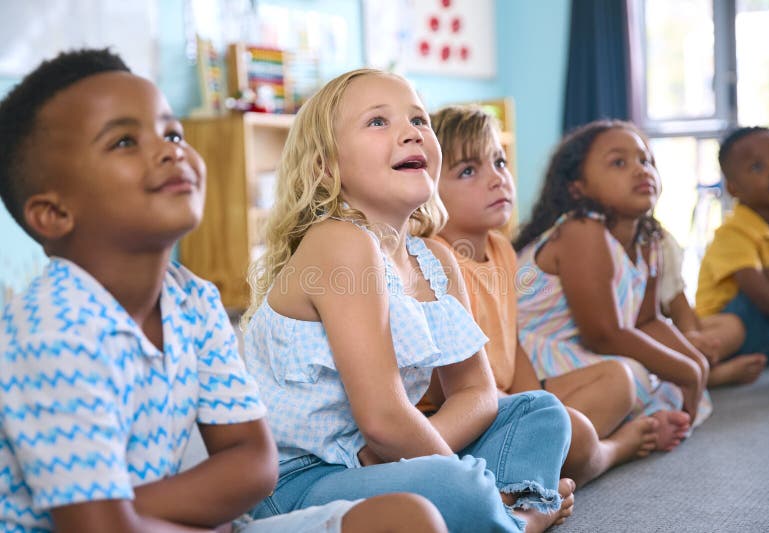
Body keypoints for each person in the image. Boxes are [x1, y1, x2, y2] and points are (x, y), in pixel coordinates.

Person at [0, 49, 447, 533]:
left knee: (408, 518)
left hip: (148, 522)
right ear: (53, 213)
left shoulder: (192, 300)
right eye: (126, 141)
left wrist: (122, 510)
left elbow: (254, 464)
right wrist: (118, 516)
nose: (171, 149)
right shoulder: (50, 331)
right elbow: (93, 526)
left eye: (172, 132)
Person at [242, 68, 574, 533]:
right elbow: (380, 418)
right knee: (458, 490)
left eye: (419, 119)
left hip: (374, 463)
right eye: (378, 122)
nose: (411, 133)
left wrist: (417, 461)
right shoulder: (339, 242)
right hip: (295, 482)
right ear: (326, 167)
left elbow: (477, 393)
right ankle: (519, 515)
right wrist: (452, 475)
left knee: (539, 411)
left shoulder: (435, 257)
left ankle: (495, 510)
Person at [426, 105, 658, 487]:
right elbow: (443, 385)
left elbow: (511, 341)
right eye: (468, 171)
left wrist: (535, 405)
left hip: (502, 399)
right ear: (427, 190)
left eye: (499, 162)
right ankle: (609, 453)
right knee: (577, 433)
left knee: (618, 379)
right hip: (458, 413)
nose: (497, 179)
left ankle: (539, 462)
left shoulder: (501, 251)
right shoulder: (433, 261)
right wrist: (533, 414)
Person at [513, 120, 712, 453]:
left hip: (587, 354)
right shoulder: (582, 231)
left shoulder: (650, 240)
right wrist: (688, 372)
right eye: (619, 162)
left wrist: (696, 365)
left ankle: (628, 425)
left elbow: (647, 321)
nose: (640, 170)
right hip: (538, 360)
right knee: (635, 374)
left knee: (669, 378)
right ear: (578, 187)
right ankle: (614, 440)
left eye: (646, 160)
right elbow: (604, 335)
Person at [695, 126, 769, 369]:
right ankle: (712, 370)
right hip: (728, 329)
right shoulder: (732, 233)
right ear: (733, 188)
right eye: (757, 167)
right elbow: (764, 298)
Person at [658, 229, 767, 386]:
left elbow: (679, 307)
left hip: (658, 335)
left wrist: (692, 338)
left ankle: (694, 370)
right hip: (622, 346)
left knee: (731, 326)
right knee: (627, 372)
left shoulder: (660, 240)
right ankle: (710, 377)